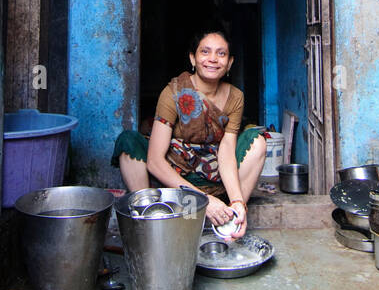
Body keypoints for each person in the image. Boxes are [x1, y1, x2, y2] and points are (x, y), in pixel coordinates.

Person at [112, 24, 268, 239]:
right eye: (205, 52)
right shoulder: (173, 92)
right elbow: (155, 162)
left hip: (215, 176)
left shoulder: (235, 97)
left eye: (221, 54)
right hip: (174, 177)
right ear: (193, 59)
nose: (213, 59)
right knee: (128, 141)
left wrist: (237, 201)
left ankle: (229, 216)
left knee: (257, 141)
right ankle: (149, 217)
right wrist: (202, 199)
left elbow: (227, 150)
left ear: (229, 62)